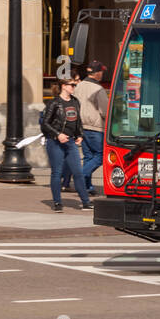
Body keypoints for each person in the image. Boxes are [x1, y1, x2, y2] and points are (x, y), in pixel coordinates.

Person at [42, 78, 90, 212]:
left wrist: (80, 135)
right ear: (64, 86)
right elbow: (45, 124)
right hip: (55, 142)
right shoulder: (54, 103)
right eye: (72, 85)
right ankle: (57, 203)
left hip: (70, 142)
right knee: (57, 173)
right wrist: (58, 134)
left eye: (75, 85)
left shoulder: (75, 102)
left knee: (78, 172)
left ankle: (85, 202)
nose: (74, 87)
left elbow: (78, 121)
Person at [73, 61, 109, 195]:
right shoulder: (98, 89)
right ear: (98, 73)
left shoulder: (79, 86)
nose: (102, 74)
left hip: (81, 126)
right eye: (102, 72)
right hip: (95, 127)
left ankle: (87, 186)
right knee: (100, 156)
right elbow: (105, 111)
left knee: (88, 156)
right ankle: (81, 178)